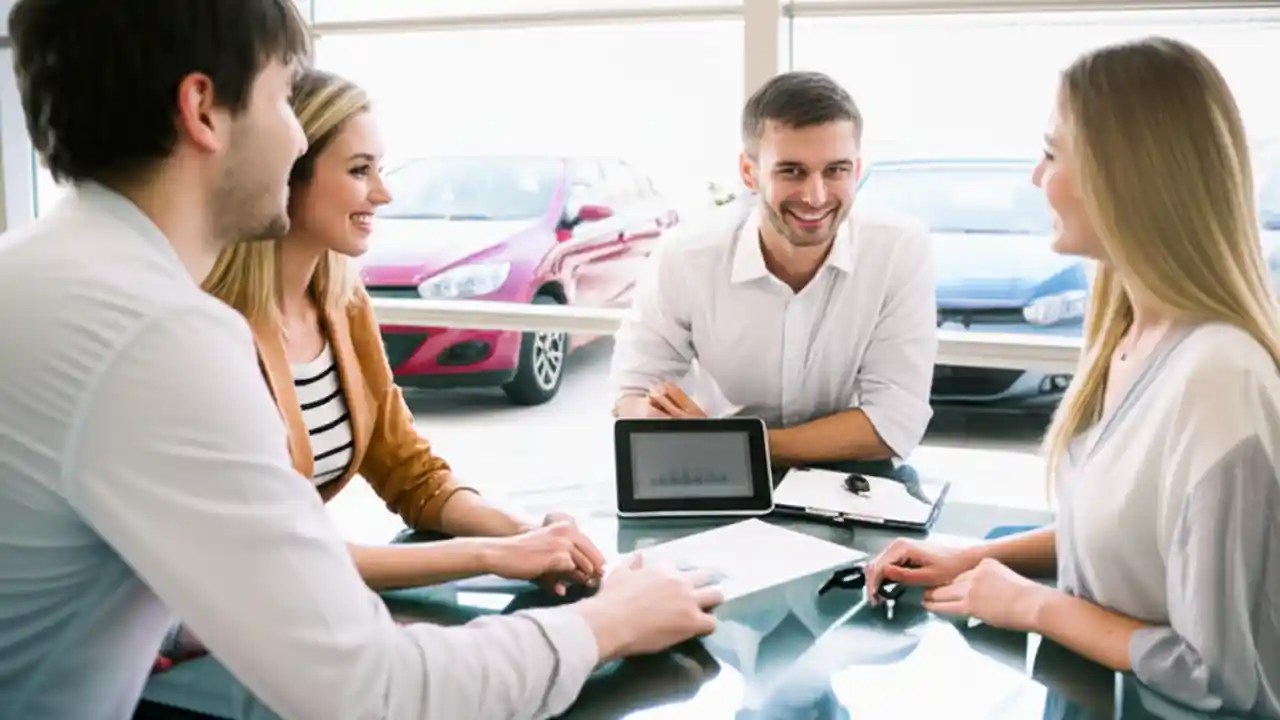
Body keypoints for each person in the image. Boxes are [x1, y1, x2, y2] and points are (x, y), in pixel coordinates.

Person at [0, 2, 721, 719]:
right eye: (285, 96)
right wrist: (614, 620)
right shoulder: (158, 336)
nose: (291, 135)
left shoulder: (43, 272)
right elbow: (373, 694)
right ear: (203, 110)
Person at [863, 37, 1280, 717]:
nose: (1035, 178)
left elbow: (1219, 676)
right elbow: (1133, 537)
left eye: (1052, 154)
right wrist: (967, 560)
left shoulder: (1220, 378)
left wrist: (1031, 604)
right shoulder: (1125, 335)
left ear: (1126, 175)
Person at [199, 68, 603, 598]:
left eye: (380, 169)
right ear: (287, 172)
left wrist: (531, 534)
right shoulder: (210, 325)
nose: (383, 193)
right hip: (200, 624)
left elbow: (414, 477)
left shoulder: (343, 304)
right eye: (360, 170)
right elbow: (279, 554)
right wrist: (493, 555)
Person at [610, 71, 937, 467]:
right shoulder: (685, 256)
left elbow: (894, 421)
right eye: (792, 171)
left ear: (857, 168)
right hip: (715, 479)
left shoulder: (899, 249)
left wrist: (726, 446)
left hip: (849, 482)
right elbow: (632, 392)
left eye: (836, 170)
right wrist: (653, 416)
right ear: (750, 173)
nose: (816, 196)